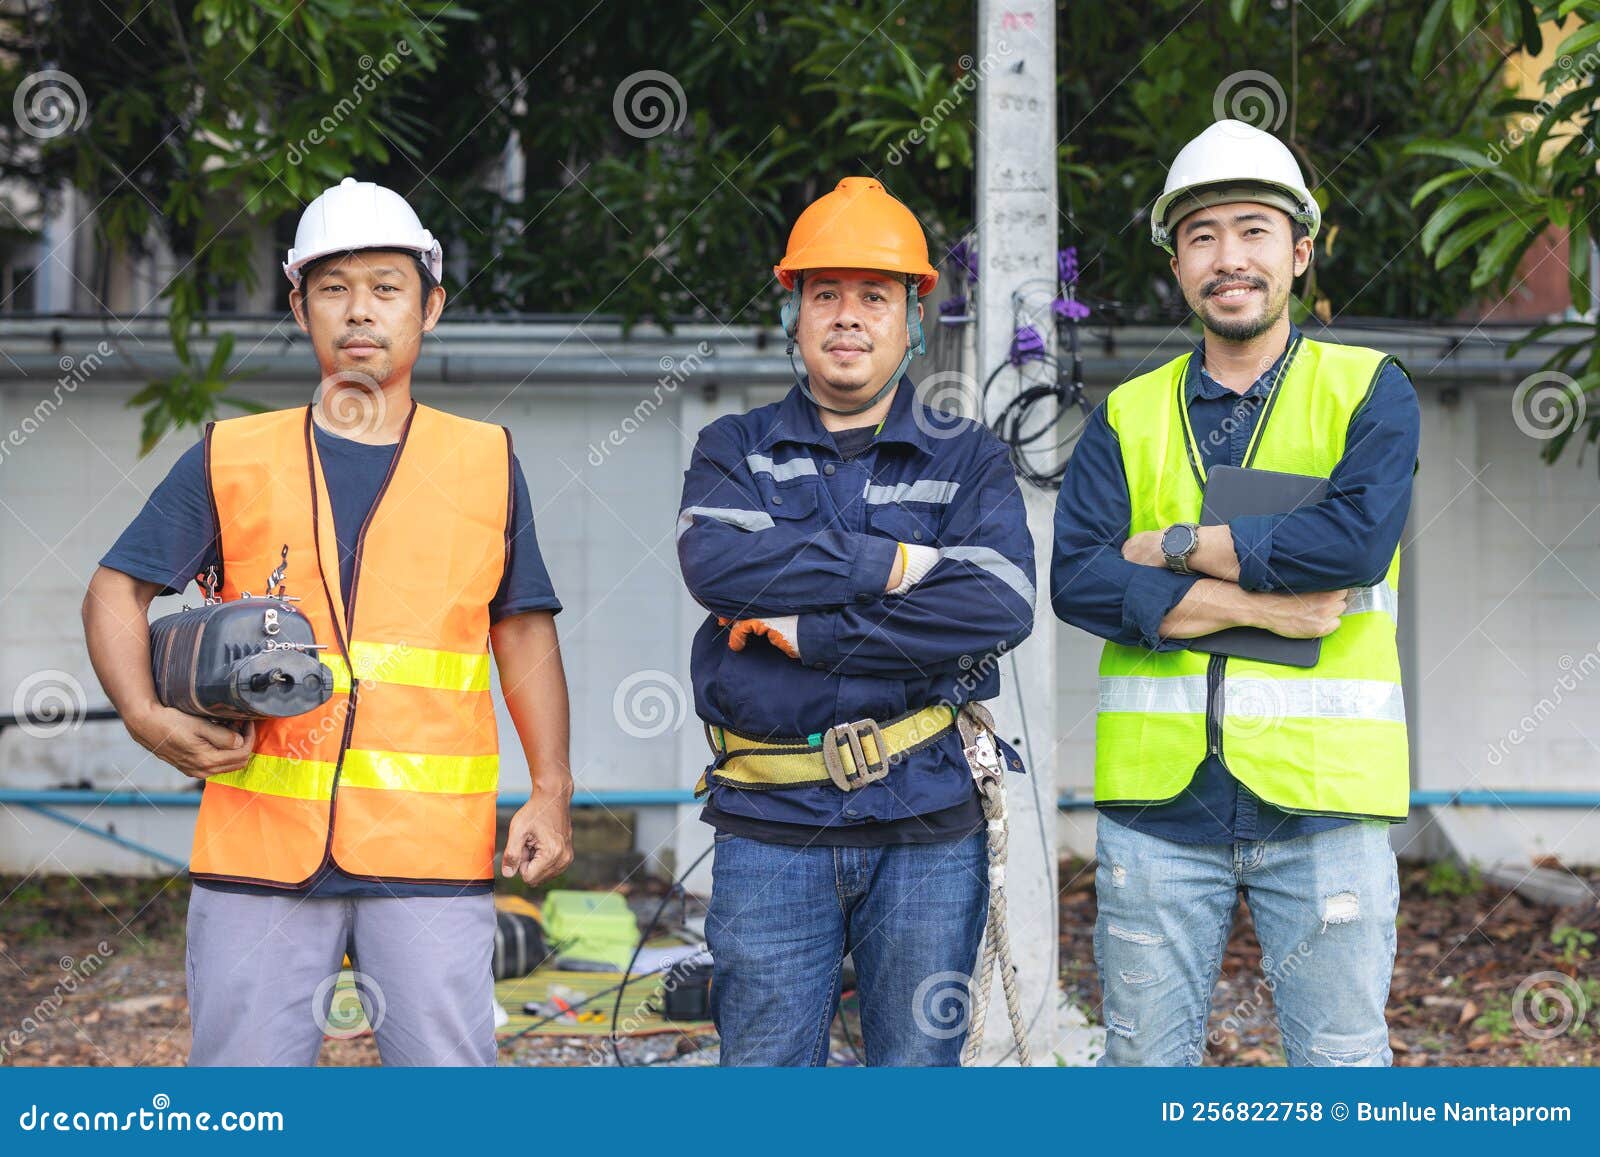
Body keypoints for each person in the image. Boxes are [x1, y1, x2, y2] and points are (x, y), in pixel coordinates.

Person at [82, 178, 574, 1066]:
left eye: (386, 288)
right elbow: (115, 590)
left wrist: (551, 786)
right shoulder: (230, 456)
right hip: (259, 850)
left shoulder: (485, 462)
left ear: (430, 306)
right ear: (299, 304)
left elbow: (524, 631)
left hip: (428, 855)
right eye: (335, 287)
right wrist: (148, 717)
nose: (360, 311)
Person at [1052, 121, 1420, 1067]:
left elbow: (1354, 541)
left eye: (1254, 230)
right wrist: (1264, 600)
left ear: (1299, 251)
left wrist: (1176, 547)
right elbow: (1079, 577)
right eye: (1202, 234)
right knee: (1144, 1081)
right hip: (1158, 816)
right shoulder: (1127, 414)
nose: (1230, 257)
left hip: (1324, 808)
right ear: (1176, 263)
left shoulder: (1369, 390)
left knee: (1342, 1078)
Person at [677, 177, 1036, 1066]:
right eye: (824, 295)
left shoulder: (971, 459)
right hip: (770, 823)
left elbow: (997, 603)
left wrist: (814, 629)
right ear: (794, 314)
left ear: (913, 319)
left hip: (926, 825)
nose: (848, 317)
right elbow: (716, 566)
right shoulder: (735, 448)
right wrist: (894, 564)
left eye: (875, 296)